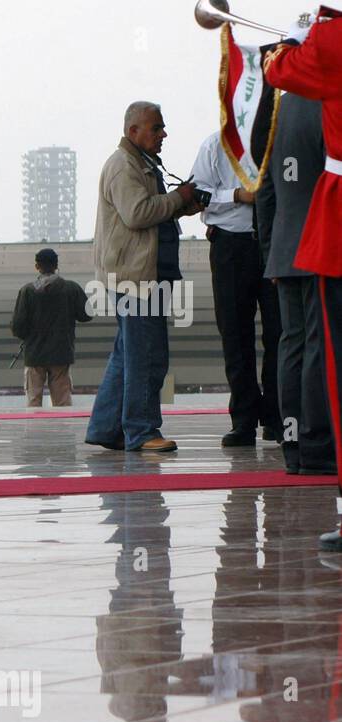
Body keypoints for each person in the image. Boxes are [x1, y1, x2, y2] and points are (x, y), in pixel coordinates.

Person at [264, 13, 342, 548]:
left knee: (320, 353)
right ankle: (306, 446)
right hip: (304, 239)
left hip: (314, 236)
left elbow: (281, 69)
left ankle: (306, 448)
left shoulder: (326, 46)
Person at [85, 101, 201, 453]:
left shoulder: (141, 164)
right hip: (136, 278)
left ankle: (106, 429)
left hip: (146, 274)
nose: (163, 134)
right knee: (146, 356)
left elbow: (152, 210)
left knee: (128, 355)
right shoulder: (123, 167)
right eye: (156, 128)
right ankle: (141, 431)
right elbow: (137, 213)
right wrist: (178, 197)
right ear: (133, 131)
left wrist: (184, 203)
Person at [256, 91, 335, 475]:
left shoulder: (280, 107)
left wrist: (271, 251)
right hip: (321, 246)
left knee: (292, 345)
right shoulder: (329, 102)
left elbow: (266, 190)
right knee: (320, 346)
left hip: (286, 249)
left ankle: (294, 445)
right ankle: (318, 444)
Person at [190, 130, 283, 446]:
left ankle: (277, 416)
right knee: (234, 334)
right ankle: (243, 420)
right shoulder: (215, 144)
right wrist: (236, 195)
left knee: (281, 333)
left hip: (274, 243)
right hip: (232, 243)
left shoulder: (278, 138)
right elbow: (196, 193)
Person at [9, 247, 90, 408]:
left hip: (34, 354)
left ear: (37, 266)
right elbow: (86, 315)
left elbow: (17, 326)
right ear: (56, 265)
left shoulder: (27, 291)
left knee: (33, 400)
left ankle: (34, 431)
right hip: (61, 353)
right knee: (62, 402)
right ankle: (64, 432)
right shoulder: (71, 288)